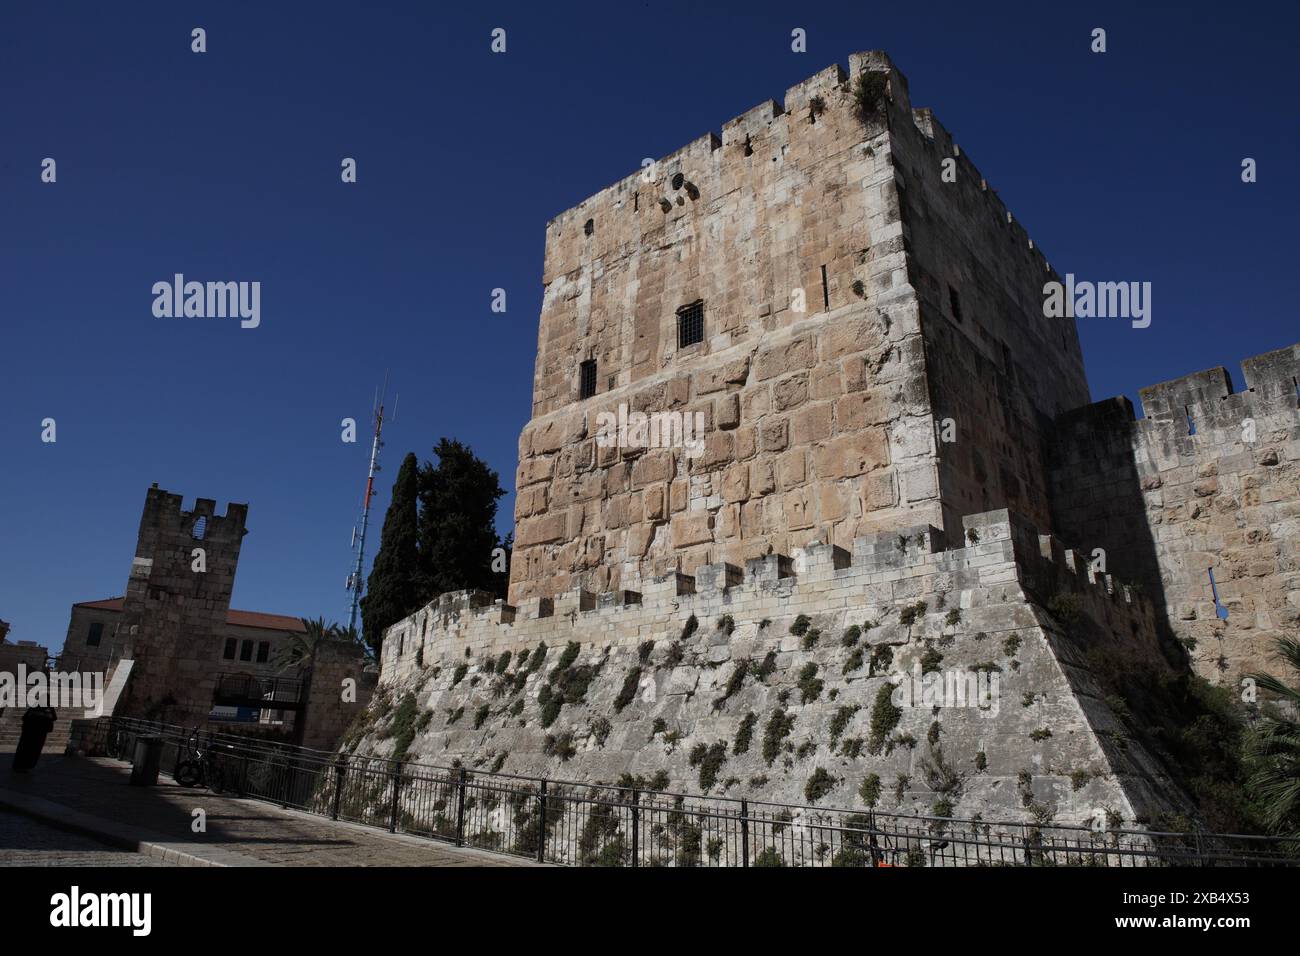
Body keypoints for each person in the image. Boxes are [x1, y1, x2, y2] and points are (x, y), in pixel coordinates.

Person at [11, 706, 57, 772]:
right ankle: (25, 766)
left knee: (24, 749)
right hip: (38, 733)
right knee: (33, 750)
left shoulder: (34, 707)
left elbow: (24, 717)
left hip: (30, 732)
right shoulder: (48, 708)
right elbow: (54, 717)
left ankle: (19, 765)